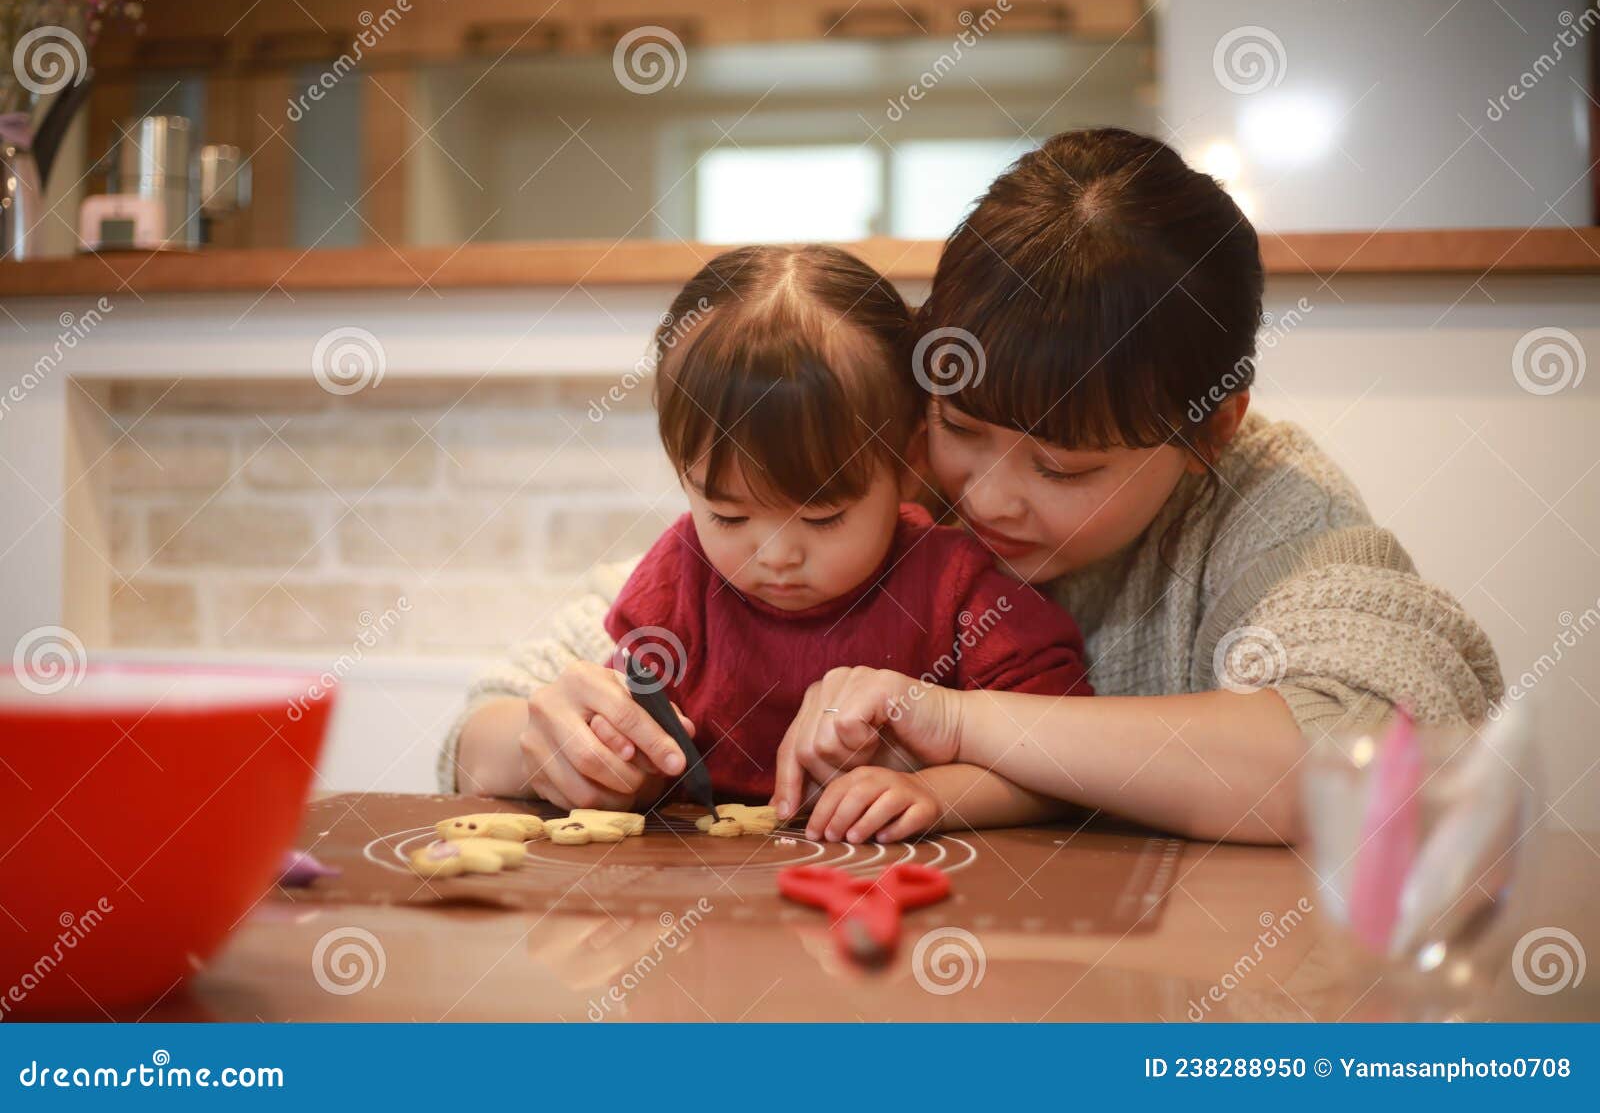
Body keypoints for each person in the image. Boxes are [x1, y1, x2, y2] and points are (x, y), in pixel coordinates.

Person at [444, 127, 1502, 845]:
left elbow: (1387, 758)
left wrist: (954, 725)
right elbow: (494, 718)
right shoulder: (878, 471)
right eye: (959, 427)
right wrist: (543, 739)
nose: (986, 496)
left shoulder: (1265, 507)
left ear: (1209, 427)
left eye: (1062, 464)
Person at [449, 243, 1092, 842]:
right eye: (729, 516)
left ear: (907, 463)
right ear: (685, 476)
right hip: (702, 914)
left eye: (824, 517)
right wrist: (607, 757)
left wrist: (939, 794)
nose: (776, 555)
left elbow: (1061, 765)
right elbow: (578, 726)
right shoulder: (680, 578)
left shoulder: (959, 589)